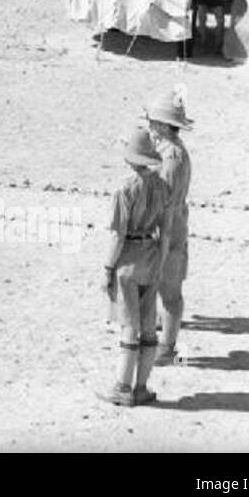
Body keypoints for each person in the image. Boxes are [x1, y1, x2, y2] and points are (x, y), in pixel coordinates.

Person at [100, 127, 171, 407]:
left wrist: (107, 268)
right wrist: (161, 263)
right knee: (149, 327)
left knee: (129, 326)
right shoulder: (162, 187)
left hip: (129, 257)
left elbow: (117, 236)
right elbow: (165, 233)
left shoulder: (125, 189)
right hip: (152, 255)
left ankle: (122, 388)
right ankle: (142, 387)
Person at [146, 93, 193, 366]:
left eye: (154, 122)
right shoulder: (174, 150)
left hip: (168, 227)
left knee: (170, 291)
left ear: (164, 125)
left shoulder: (172, 157)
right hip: (173, 223)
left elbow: (166, 199)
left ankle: (168, 347)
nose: (150, 126)